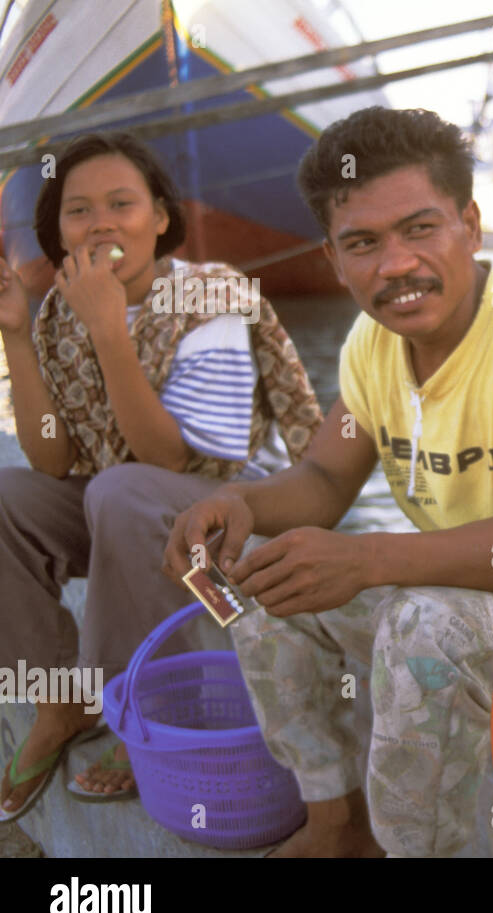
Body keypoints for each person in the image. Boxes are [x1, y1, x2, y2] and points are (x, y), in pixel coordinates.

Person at [162, 106, 493, 857]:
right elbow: (321, 478)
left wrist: (370, 559)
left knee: (422, 623)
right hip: (473, 603)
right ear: (334, 258)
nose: (395, 264)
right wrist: (232, 501)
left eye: (420, 228)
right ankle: (336, 824)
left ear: (471, 225)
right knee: (263, 586)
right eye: (363, 243)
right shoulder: (374, 346)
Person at [0, 132, 321, 821]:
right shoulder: (60, 313)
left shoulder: (211, 300)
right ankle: (62, 699)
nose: (101, 223)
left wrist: (111, 332)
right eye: (78, 211)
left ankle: (135, 703)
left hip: (230, 520)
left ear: (162, 218)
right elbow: (53, 460)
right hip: (130, 512)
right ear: (57, 232)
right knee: (8, 499)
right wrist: (18, 336)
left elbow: (168, 459)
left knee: (119, 488)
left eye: (122, 203)